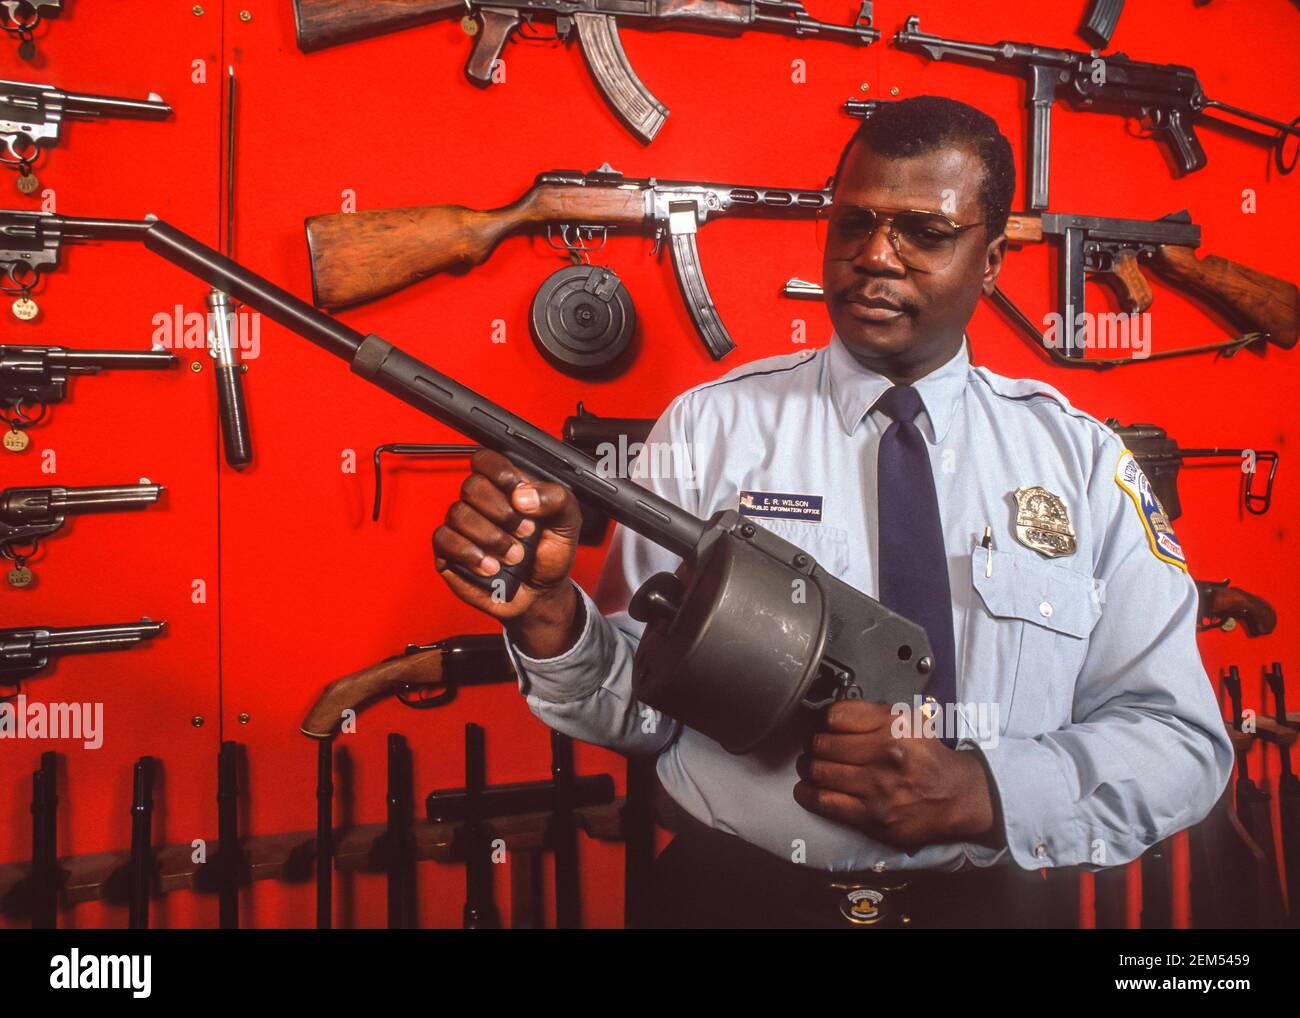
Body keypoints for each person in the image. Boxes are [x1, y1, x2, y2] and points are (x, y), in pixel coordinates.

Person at [431, 96, 1235, 929]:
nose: (874, 258)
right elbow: (639, 706)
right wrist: (553, 620)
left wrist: (985, 791)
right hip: (733, 901)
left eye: (924, 233)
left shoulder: (1082, 464)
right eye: (854, 223)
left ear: (992, 258)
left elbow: (1180, 742)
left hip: (992, 907)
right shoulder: (710, 428)